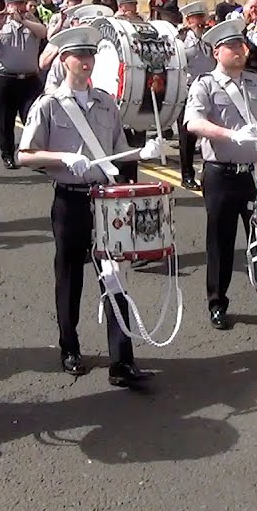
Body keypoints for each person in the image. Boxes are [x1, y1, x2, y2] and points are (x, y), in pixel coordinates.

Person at [17, 25, 160, 385]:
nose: (86, 62)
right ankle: (69, 347)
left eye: (90, 55)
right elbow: (25, 155)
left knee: (114, 275)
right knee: (69, 276)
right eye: (79, 56)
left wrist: (143, 152)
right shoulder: (48, 105)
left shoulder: (106, 102)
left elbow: (115, 154)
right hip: (69, 200)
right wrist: (63, 158)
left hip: (103, 200)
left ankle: (121, 360)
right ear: (64, 60)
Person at [184, 17, 257, 338]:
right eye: (233, 46)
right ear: (217, 51)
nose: (241, 50)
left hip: (253, 174)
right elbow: (193, 122)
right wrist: (229, 135)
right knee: (220, 243)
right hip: (220, 173)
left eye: (242, 44)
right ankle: (217, 302)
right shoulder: (205, 84)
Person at [0, 0, 49, 169]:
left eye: (22, 3)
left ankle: (33, 154)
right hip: (4, 79)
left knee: (33, 117)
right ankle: (8, 154)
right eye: (17, 4)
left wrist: (24, 21)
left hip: (29, 79)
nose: (21, 7)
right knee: (5, 119)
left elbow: (44, 33)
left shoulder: (32, 21)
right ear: (9, 6)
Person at [178, 0, 215, 190]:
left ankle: (208, 173)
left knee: (210, 134)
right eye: (196, 19)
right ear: (188, 20)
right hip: (188, 92)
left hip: (209, 92)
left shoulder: (210, 39)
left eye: (203, 18)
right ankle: (187, 175)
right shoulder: (180, 41)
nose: (200, 23)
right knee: (188, 138)